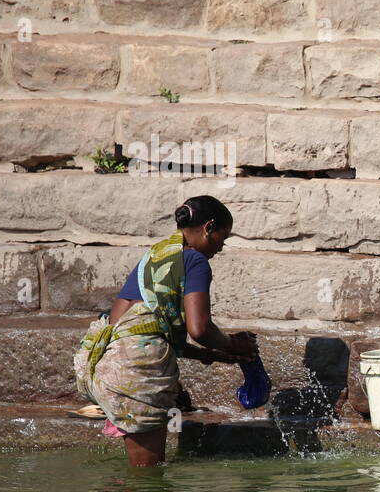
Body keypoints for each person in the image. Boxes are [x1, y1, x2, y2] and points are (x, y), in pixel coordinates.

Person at [73, 195, 258, 467]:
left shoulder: (153, 256)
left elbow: (128, 327)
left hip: (106, 369)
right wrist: (233, 344)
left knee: (140, 477)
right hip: (140, 378)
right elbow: (200, 329)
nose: (220, 247)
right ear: (208, 227)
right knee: (146, 479)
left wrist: (218, 356)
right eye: (222, 237)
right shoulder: (194, 260)